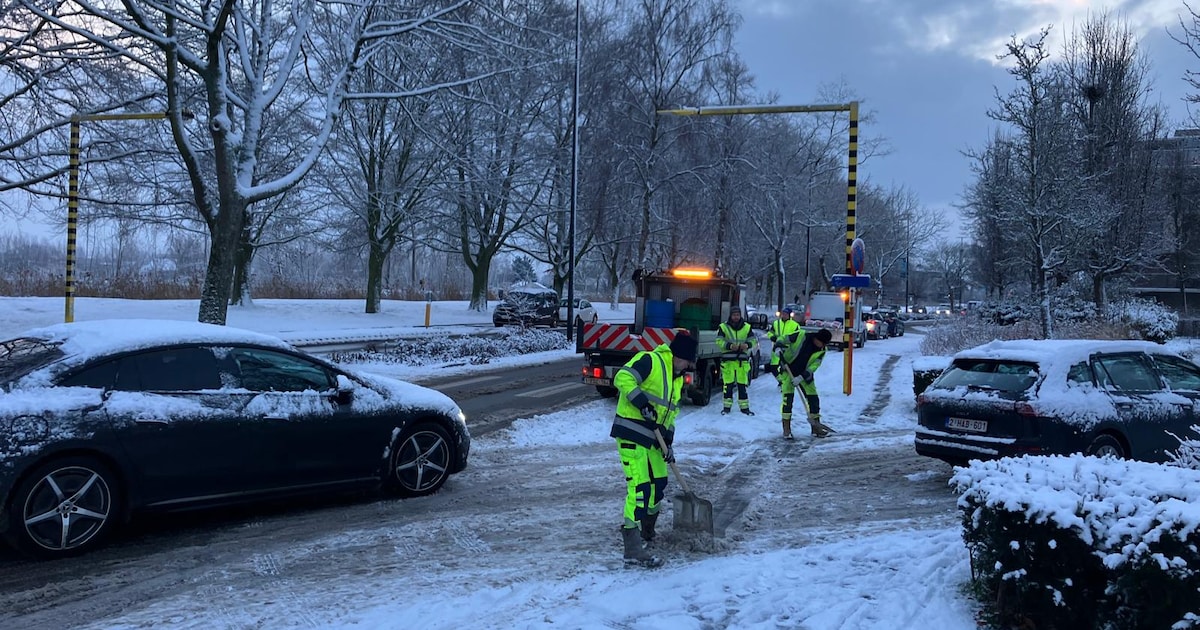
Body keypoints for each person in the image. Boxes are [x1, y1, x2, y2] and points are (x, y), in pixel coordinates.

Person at [610, 331, 699, 567]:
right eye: (687, 363)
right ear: (677, 355)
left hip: (653, 439)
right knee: (640, 488)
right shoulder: (651, 360)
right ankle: (632, 547)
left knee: (658, 484)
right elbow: (622, 377)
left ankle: (647, 531)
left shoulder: (676, 377)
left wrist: (668, 442)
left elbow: (670, 415)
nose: (687, 368)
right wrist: (641, 402)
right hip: (631, 433)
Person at [778, 327, 834, 439]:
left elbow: (814, 366)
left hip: (804, 375)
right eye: (822, 343)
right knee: (787, 400)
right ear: (816, 339)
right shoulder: (800, 336)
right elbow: (782, 339)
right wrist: (778, 347)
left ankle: (816, 428)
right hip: (788, 371)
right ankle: (786, 429)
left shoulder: (822, 351)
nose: (822, 346)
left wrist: (801, 377)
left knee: (813, 399)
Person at [716, 306, 756, 415]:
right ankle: (726, 408)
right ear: (731, 315)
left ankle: (744, 408)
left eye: (737, 315)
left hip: (741, 362)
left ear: (740, 315)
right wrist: (729, 346)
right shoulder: (723, 327)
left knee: (742, 386)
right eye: (734, 315)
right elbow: (719, 341)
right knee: (727, 386)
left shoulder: (747, 327)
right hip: (728, 362)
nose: (736, 317)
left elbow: (753, 340)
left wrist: (747, 345)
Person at [767, 307, 801, 384]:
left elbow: (798, 337)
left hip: (788, 349)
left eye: (786, 314)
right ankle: (781, 381)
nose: (784, 315)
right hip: (777, 348)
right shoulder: (776, 323)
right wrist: (772, 337)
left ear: (789, 315)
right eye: (783, 314)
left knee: (785, 367)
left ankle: (784, 383)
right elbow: (770, 332)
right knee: (773, 367)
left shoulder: (795, 325)